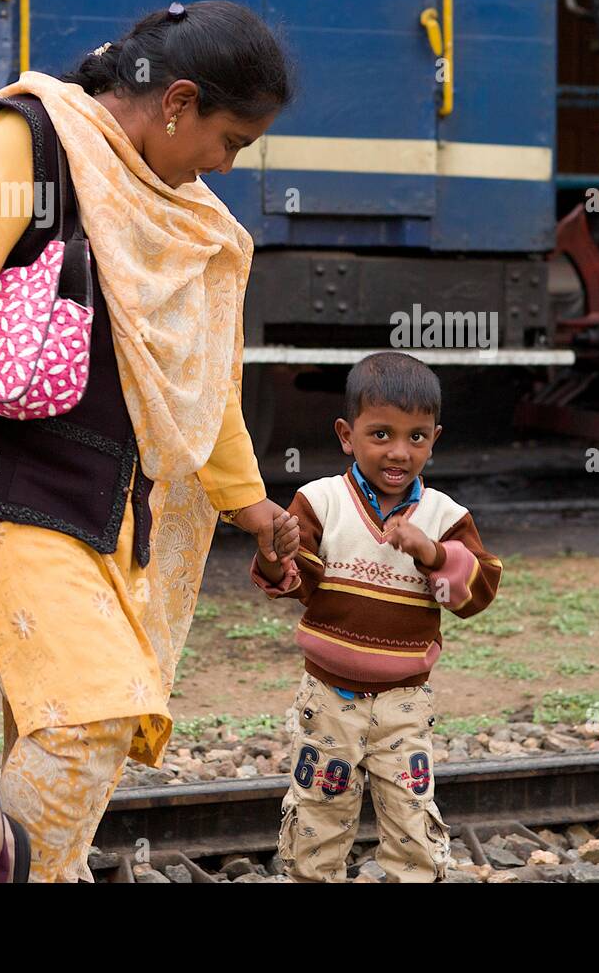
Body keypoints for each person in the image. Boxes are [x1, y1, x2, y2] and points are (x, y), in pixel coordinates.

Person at [0, 0, 300, 882]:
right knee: (90, 715)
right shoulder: (27, 140)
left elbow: (199, 385)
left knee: (49, 724)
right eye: (230, 140)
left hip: (107, 511)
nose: (226, 165)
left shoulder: (178, 206)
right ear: (176, 102)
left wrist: (254, 512)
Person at [251, 351, 503, 883]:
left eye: (416, 437)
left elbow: (476, 593)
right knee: (318, 812)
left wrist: (433, 554)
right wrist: (278, 553)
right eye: (381, 434)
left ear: (435, 438)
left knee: (412, 819)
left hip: (404, 703)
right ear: (347, 434)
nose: (399, 451)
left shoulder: (445, 516)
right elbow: (298, 580)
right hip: (327, 698)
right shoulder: (320, 501)